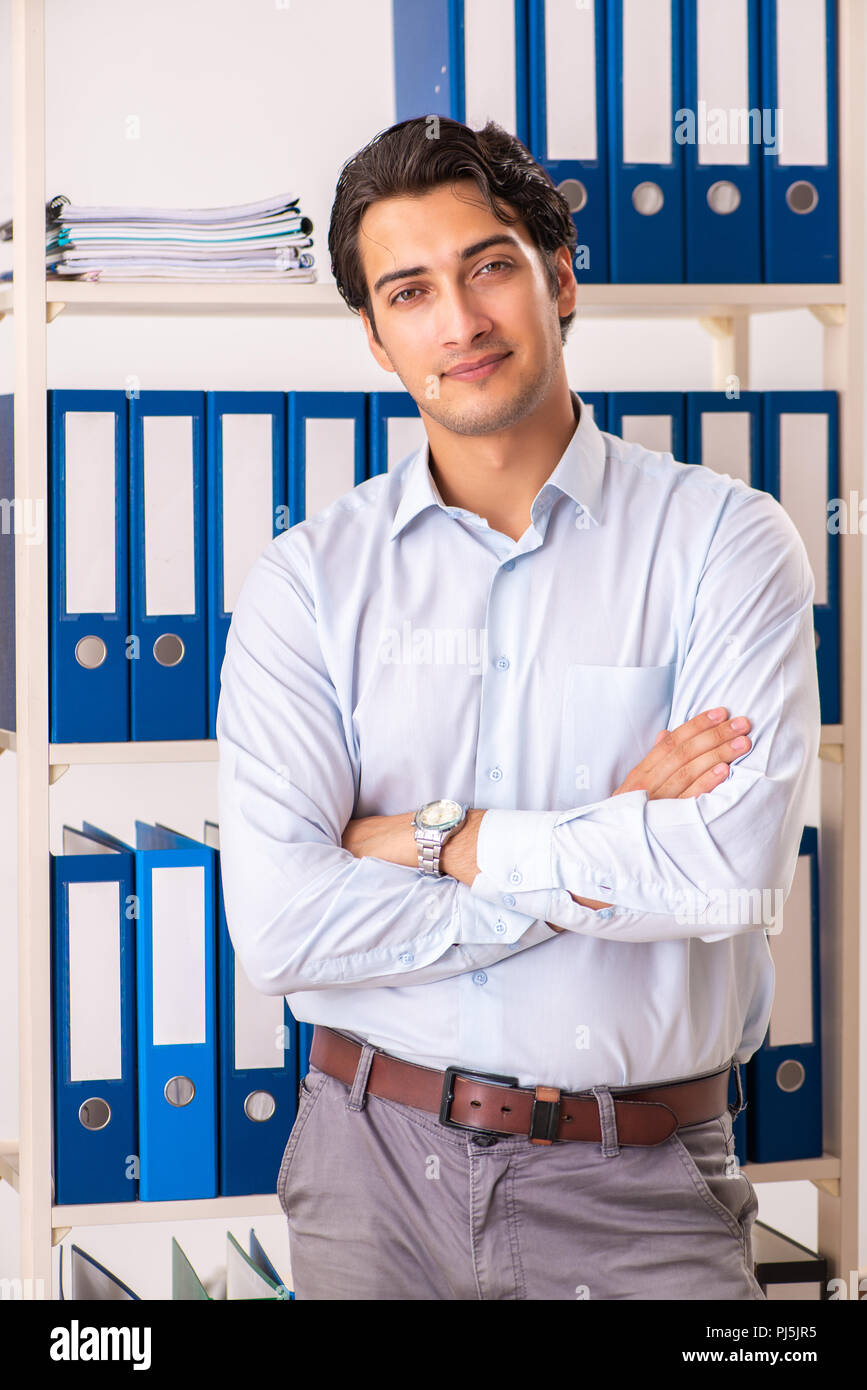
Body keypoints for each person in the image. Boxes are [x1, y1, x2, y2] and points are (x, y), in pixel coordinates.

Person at [216, 117, 820, 1300]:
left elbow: (725, 874)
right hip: (368, 1170)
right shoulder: (306, 580)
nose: (460, 320)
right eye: (411, 291)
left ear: (559, 277)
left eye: (488, 265)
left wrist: (440, 841)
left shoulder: (726, 543)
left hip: (638, 1180)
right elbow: (283, 928)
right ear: (379, 341)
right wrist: (605, 835)